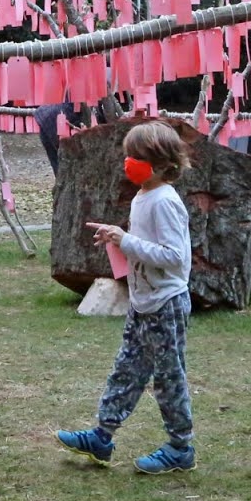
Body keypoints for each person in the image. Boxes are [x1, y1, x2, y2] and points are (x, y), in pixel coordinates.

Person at [56, 121, 197, 474]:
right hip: (143, 302)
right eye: (128, 156)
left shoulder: (165, 201)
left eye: (137, 157)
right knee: (127, 370)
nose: (129, 162)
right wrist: (117, 238)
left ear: (163, 163)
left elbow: (176, 258)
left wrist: (126, 240)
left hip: (165, 305)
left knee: (168, 378)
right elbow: (144, 246)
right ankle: (101, 437)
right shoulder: (143, 195)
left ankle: (181, 447)